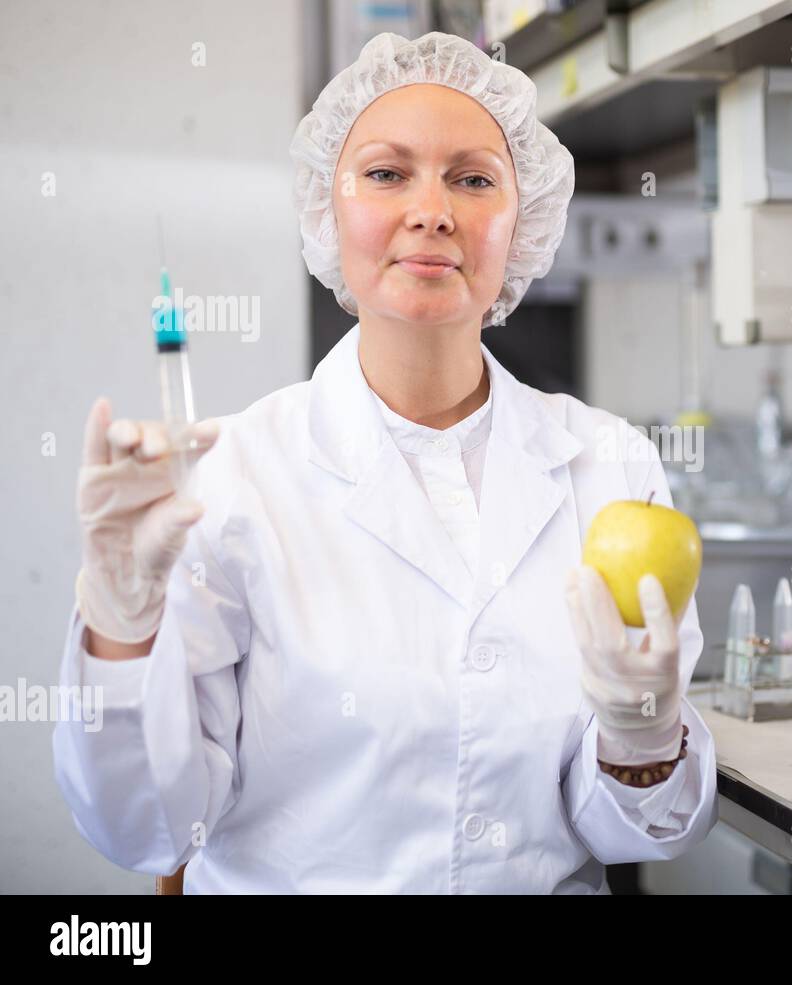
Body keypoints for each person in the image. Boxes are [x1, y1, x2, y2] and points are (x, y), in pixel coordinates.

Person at [53, 31, 717, 893]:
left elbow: (629, 832)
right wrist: (119, 627)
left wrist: (641, 734)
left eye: (474, 178)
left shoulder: (609, 466)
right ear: (329, 208)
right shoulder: (232, 475)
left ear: (524, 219)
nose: (432, 209)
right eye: (386, 172)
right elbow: (147, 826)